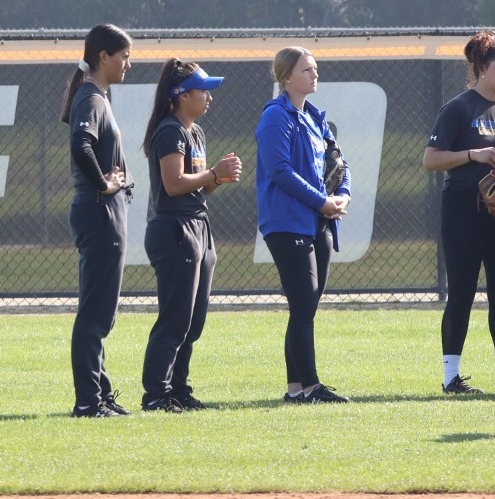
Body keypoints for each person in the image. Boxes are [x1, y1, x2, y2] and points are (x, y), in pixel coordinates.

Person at [140, 60, 242, 412]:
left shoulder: (195, 132)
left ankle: (179, 391)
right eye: (203, 90)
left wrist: (218, 178)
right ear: (182, 95)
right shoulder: (170, 130)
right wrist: (213, 173)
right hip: (174, 229)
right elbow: (173, 184)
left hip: (198, 225)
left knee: (193, 321)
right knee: (176, 319)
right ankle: (156, 394)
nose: (209, 97)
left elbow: (196, 188)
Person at [254, 47, 352, 404]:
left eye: (315, 68)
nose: (315, 74)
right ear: (286, 78)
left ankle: (296, 388)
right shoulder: (275, 117)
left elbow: (339, 162)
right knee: (303, 303)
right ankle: (311, 387)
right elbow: (279, 171)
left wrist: (342, 195)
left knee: (306, 305)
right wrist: (321, 201)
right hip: (287, 222)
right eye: (307, 70)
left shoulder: (313, 116)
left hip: (319, 220)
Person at [423, 31, 495, 394]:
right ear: (481, 67)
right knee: (461, 292)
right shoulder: (459, 107)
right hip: (463, 207)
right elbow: (431, 159)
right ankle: (451, 377)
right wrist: (472, 155)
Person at [64, 24, 136, 418]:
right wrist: (105, 184)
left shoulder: (96, 96)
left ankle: (100, 395)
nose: (128, 64)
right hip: (99, 211)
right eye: (124, 56)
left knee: (101, 312)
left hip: (103, 212)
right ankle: (88, 402)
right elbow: (81, 145)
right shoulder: (91, 97)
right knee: (95, 313)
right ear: (103, 56)